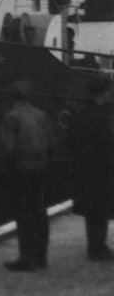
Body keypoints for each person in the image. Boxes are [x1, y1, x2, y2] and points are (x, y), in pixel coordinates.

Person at [0, 80, 52, 271]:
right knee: (40, 212)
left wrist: (4, 172)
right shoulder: (42, 116)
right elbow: (51, 144)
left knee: (23, 214)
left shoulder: (11, 117)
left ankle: (26, 259)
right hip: (41, 168)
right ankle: (41, 256)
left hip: (21, 170)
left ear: (11, 98)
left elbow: (9, 148)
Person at [68, 77, 114, 261]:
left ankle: (95, 246)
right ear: (104, 92)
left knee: (92, 210)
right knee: (100, 209)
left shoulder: (82, 112)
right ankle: (98, 248)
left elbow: (71, 141)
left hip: (85, 168)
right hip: (101, 169)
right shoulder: (100, 115)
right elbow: (107, 145)